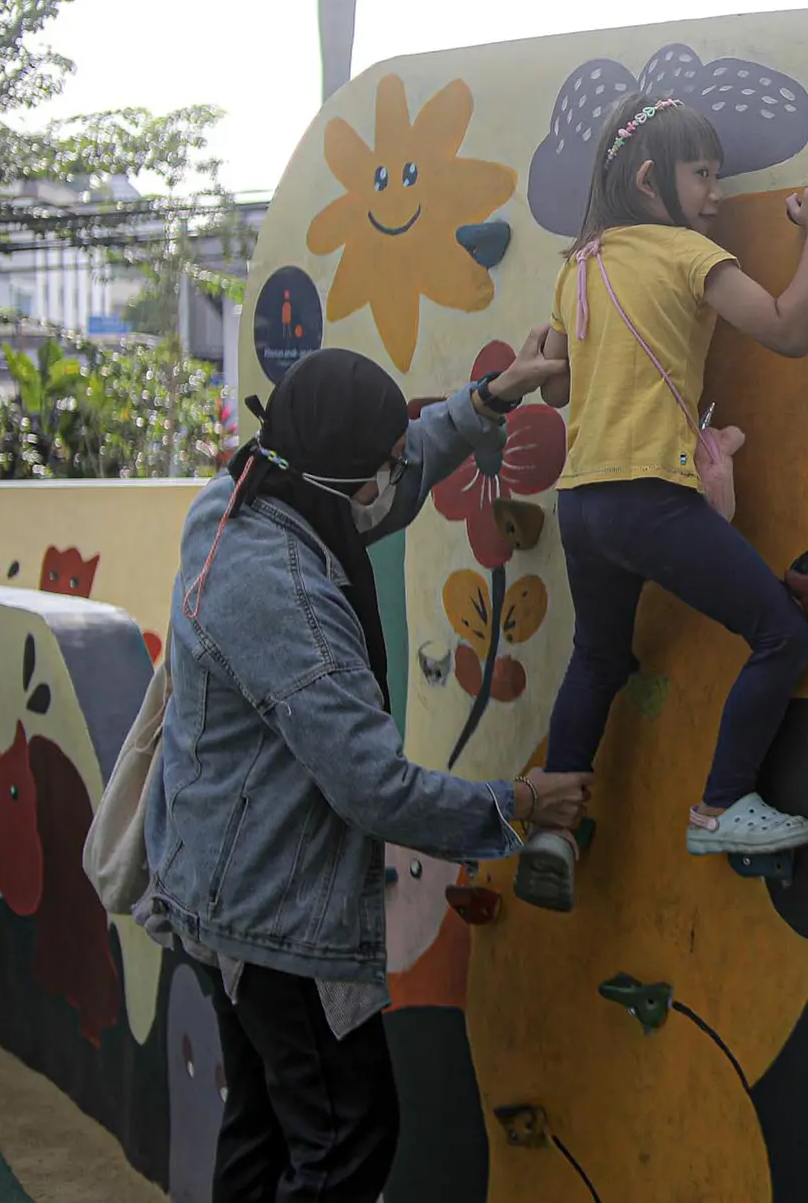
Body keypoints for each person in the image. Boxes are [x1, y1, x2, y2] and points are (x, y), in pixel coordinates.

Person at [143, 343, 594, 1203]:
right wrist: (519, 803)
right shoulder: (288, 595)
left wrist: (489, 401)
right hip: (278, 917)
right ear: (338, 478)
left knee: (268, 1127)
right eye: (379, 467)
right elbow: (375, 789)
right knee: (349, 1139)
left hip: (220, 883)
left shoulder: (247, 492)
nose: (393, 478)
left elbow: (399, 470)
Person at [517, 91, 808, 913]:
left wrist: (542, 360)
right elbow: (786, 328)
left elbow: (557, 379)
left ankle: (555, 826)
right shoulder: (686, 256)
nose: (718, 194)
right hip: (649, 500)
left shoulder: (579, 267)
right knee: (778, 631)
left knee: (598, 657)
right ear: (649, 179)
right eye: (703, 174)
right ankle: (721, 803)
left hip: (584, 506)